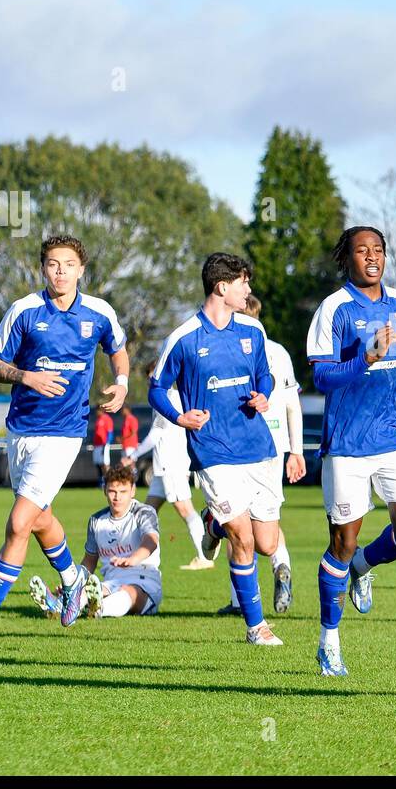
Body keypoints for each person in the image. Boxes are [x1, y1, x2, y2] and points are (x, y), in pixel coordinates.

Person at [0, 234, 129, 652]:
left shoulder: (99, 312)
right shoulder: (24, 311)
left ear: (81, 270)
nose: (60, 271)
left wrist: (121, 384)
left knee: (17, 522)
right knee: (40, 519)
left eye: (68, 264)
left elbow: (118, 351)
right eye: (52, 263)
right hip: (21, 431)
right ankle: (73, 581)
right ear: (43, 269)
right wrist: (25, 376)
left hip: (64, 433)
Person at [305, 225, 396, 677]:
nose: (372, 257)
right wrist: (366, 358)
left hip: (393, 438)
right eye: (362, 251)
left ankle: (364, 565)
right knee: (342, 541)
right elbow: (321, 379)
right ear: (348, 259)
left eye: (378, 250)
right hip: (348, 445)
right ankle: (329, 642)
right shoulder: (333, 309)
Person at [148, 252, 284, 647]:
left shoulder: (252, 332)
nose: (249, 289)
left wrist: (265, 394)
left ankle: (212, 524)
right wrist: (179, 417)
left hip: (258, 448)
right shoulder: (184, 337)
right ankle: (256, 627)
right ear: (222, 287)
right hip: (213, 452)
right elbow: (156, 388)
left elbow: (265, 373)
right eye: (244, 282)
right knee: (242, 538)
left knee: (267, 543)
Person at [213, 294, 302, 613]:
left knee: (236, 522)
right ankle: (282, 565)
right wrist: (296, 451)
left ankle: (240, 600)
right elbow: (294, 406)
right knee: (263, 522)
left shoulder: (231, 347)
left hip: (242, 448)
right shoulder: (280, 351)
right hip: (275, 448)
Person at [28, 463, 162, 619]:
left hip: (144, 581)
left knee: (128, 592)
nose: (117, 497)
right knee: (84, 591)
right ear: (105, 490)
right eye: (112, 491)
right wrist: (73, 583)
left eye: (123, 492)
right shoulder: (96, 520)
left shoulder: (144, 512)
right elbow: (89, 561)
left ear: (133, 491)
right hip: (111, 581)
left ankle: (97, 609)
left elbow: (151, 541)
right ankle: (58, 607)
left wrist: (133, 559)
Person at [135, 362, 213, 570]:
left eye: (154, 375)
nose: (153, 380)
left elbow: (156, 434)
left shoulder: (166, 398)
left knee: (184, 508)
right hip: (164, 466)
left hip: (171, 463)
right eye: (150, 376)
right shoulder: (177, 396)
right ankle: (141, 556)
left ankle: (204, 554)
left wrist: (132, 455)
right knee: (147, 510)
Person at [92, 409, 114, 486]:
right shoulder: (98, 419)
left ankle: (109, 481)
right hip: (97, 445)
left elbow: (110, 433)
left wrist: (106, 444)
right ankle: (101, 481)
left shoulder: (107, 419)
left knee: (105, 463)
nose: (96, 412)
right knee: (98, 463)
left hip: (104, 444)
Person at [120, 407, 140, 479]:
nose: (121, 412)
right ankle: (129, 479)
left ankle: (134, 478)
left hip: (131, 445)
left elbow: (133, 432)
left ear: (127, 409)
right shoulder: (125, 419)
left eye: (122, 410)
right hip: (125, 445)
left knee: (131, 463)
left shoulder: (132, 419)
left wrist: (123, 438)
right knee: (124, 464)